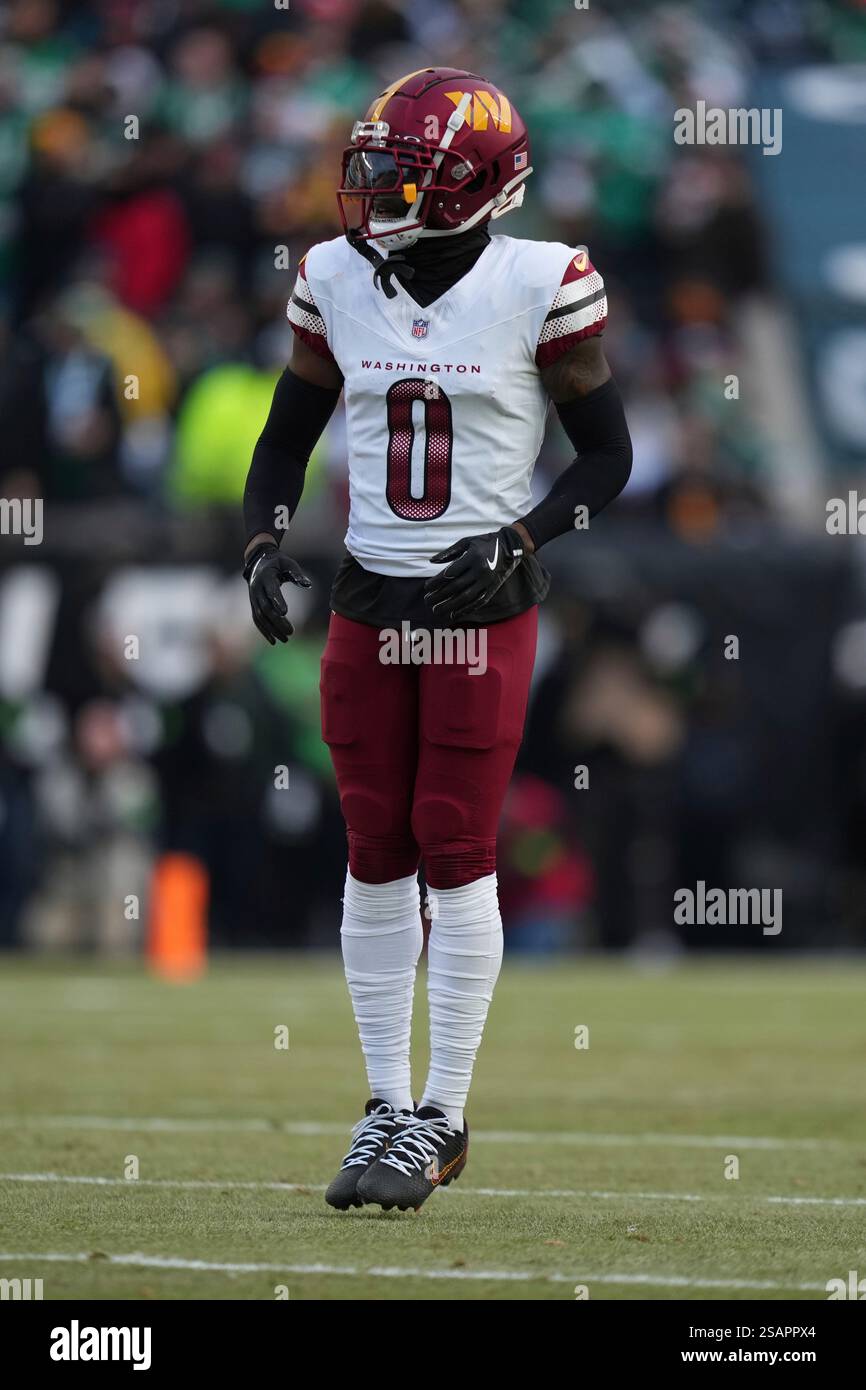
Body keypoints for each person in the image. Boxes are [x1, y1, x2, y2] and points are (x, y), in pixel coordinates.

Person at [242, 67, 632, 1213]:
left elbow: (606, 458)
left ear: (471, 186)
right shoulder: (334, 278)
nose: (372, 191)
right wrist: (262, 544)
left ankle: (444, 1113)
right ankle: (383, 1102)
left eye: (401, 173)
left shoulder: (538, 282)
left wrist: (525, 534)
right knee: (371, 844)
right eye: (371, 167)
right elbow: (283, 440)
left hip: (476, 605)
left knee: (453, 840)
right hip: (370, 595)